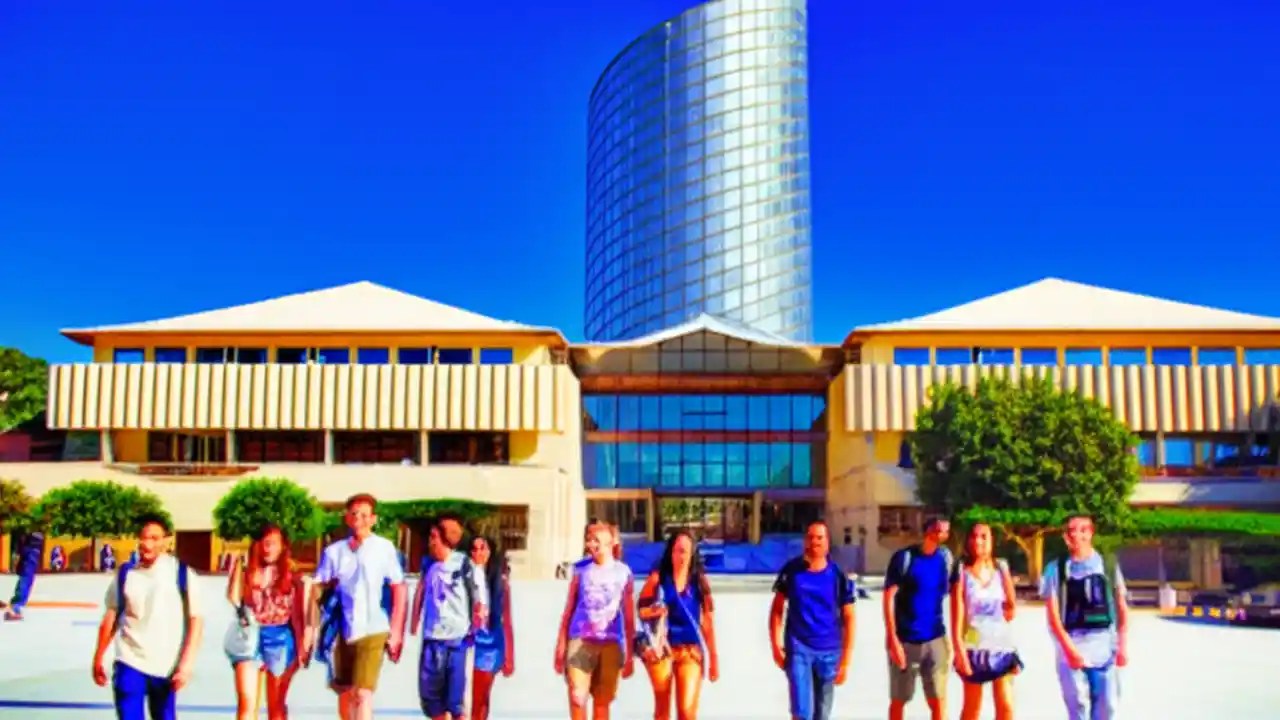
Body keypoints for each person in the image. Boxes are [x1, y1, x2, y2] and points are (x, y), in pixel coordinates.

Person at [90, 513, 204, 720]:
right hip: (129, 660)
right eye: (144, 538)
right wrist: (99, 655)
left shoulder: (182, 574)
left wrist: (186, 665)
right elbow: (112, 614)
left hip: (166, 665)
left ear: (167, 541)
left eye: (154, 538)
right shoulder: (126, 574)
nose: (147, 544)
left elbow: (196, 621)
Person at [311, 493, 408, 720]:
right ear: (347, 518)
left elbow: (399, 588)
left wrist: (396, 631)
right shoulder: (334, 552)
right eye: (354, 514)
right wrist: (312, 627)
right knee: (345, 692)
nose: (359, 519)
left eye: (365, 515)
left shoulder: (384, 548)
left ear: (373, 519)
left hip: (375, 627)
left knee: (363, 693)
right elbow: (318, 587)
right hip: (342, 629)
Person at [1041, 514, 1128, 720]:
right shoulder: (1056, 569)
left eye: (1081, 530)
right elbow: (1053, 617)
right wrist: (1069, 650)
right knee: (1078, 706)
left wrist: (1122, 644)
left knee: (1107, 707)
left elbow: (1121, 607)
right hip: (1072, 643)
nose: (1075, 535)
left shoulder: (1107, 564)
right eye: (1070, 531)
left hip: (1104, 644)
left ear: (1090, 533)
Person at [769, 520, 857, 720]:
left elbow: (849, 617)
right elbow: (776, 610)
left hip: (830, 651)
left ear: (827, 542)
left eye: (820, 537)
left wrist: (845, 661)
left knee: (822, 714)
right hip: (799, 648)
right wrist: (776, 645)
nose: (814, 541)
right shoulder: (791, 571)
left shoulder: (838, 575)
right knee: (802, 713)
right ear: (804, 542)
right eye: (810, 537)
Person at [554, 521, 636, 720]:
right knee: (577, 696)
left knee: (602, 703)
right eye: (588, 540)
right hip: (580, 640)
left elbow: (629, 616)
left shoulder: (623, 573)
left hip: (610, 643)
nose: (591, 544)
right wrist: (561, 645)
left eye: (596, 540)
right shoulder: (581, 570)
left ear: (610, 542)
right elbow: (569, 609)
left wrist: (630, 654)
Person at [226, 524, 307, 720]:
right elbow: (233, 597)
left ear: (282, 546)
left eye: (273, 544)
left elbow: (297, 614)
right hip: (250, 635)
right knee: (246, 701)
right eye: (264, 543)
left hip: (280, 636)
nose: (267, 548)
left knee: (276, 705)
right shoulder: (247, 567)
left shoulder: (291, 571)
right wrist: (239, 566)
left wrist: (302, 646)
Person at [410, 518, 489, 720]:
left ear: (446, 539)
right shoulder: (428, 564)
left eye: (434, 537)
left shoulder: (463, 563)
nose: (431, 541)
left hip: (457, 639)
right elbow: (420, 591)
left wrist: (479, 614)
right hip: (432, 638)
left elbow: (477, 592)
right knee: (431, 698)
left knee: (455, 701)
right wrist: (413, 621)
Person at [637, 530, 720, 720]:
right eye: (677, 550)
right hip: (661, 649)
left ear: (692, 554)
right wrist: (655, 611)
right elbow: (641, 610)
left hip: (690, 651)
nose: (680, 555)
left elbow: (707, 622)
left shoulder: (699, 582)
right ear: (671, 553)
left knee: (687, 711)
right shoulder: (658, 579)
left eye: (685, 551)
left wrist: (713, 658)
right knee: (662, 709)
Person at [884, 517, 953, 720]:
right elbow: (888, 598)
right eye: (938, 529)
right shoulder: (905, 558)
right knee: (899, 699)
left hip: (935, 637)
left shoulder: (945, 559)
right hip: (906, 639)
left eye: (946, 531)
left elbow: (956, 593)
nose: (942, 534)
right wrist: (892, 638)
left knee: (938, 699)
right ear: (927, 530)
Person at [950, 523, 1021, 720]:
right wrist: (959, 651)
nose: (978, 541)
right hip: (974, 649)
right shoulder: (962, 571)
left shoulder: (1001, 568)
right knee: (972, 708)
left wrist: (1009, 606)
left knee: (1006, 706)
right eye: (974, 536)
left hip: (1001, 648)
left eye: (984, 536)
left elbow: (1011, 607)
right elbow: (957, 615)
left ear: (992, 541)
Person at [469, 535, 515, 720]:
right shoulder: (465, 576)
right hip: (470, 642)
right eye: (474, 549)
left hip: (492, 644)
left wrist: (509, 655)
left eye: (483, 548)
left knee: (482, 698)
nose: (478, 553)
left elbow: (507, 620)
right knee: (466, 698)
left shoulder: (500, 583)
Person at [4, 530, 45, 621]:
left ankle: (15, 609)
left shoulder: (34, 548)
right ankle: (13, 609)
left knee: (25, 588)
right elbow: (20, 556)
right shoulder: (28, 547)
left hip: (30, 570)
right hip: (26, 570)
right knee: (23, 588)